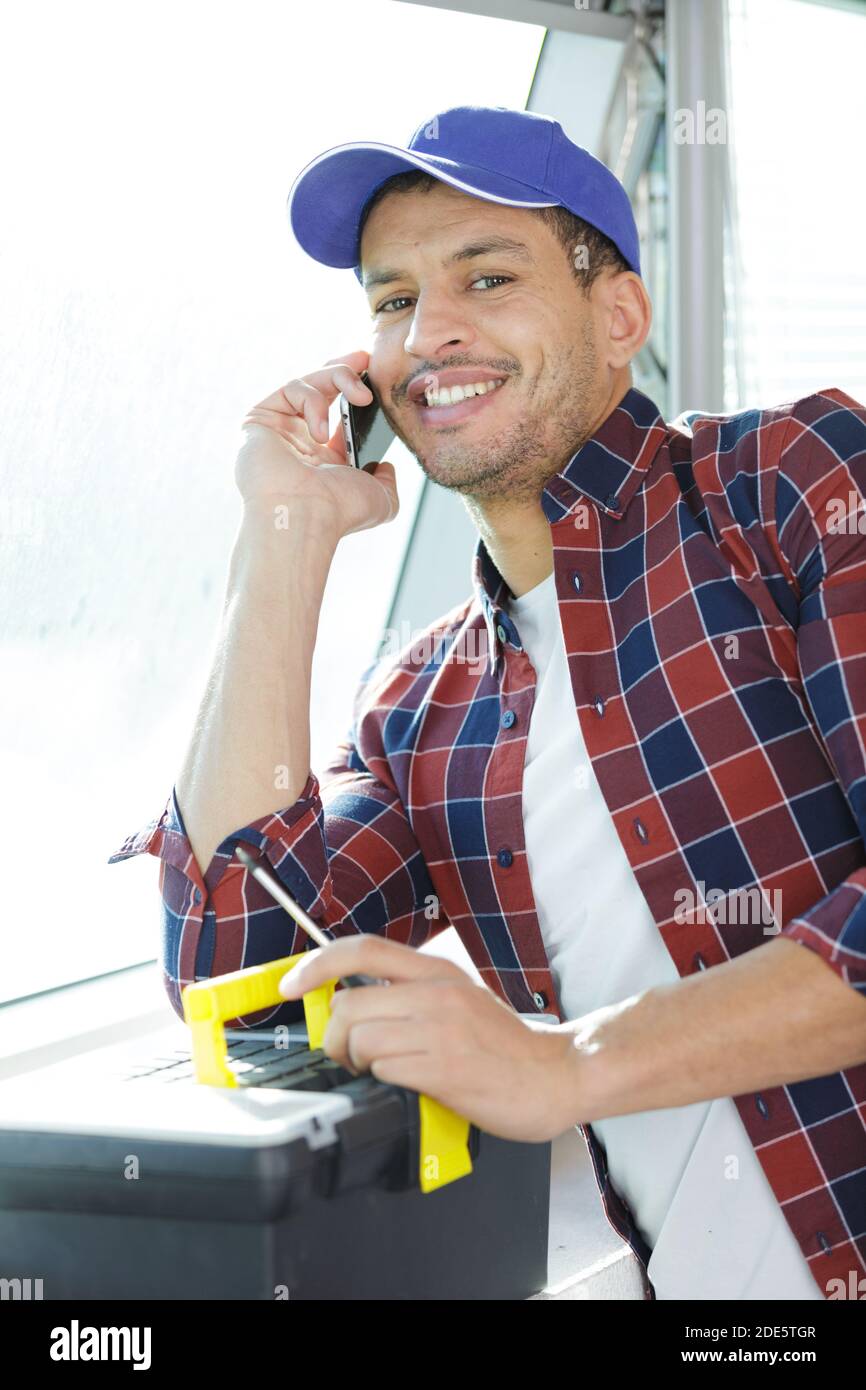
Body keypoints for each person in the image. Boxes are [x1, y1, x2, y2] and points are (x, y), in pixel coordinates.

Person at [110, 105, 866, 1301]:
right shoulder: (423, 710)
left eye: (487, 275)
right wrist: (285, 533)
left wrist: (563, 1065)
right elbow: (229, 964)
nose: (429, 332)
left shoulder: (788, 487)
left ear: (618, 317)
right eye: (392, 298)